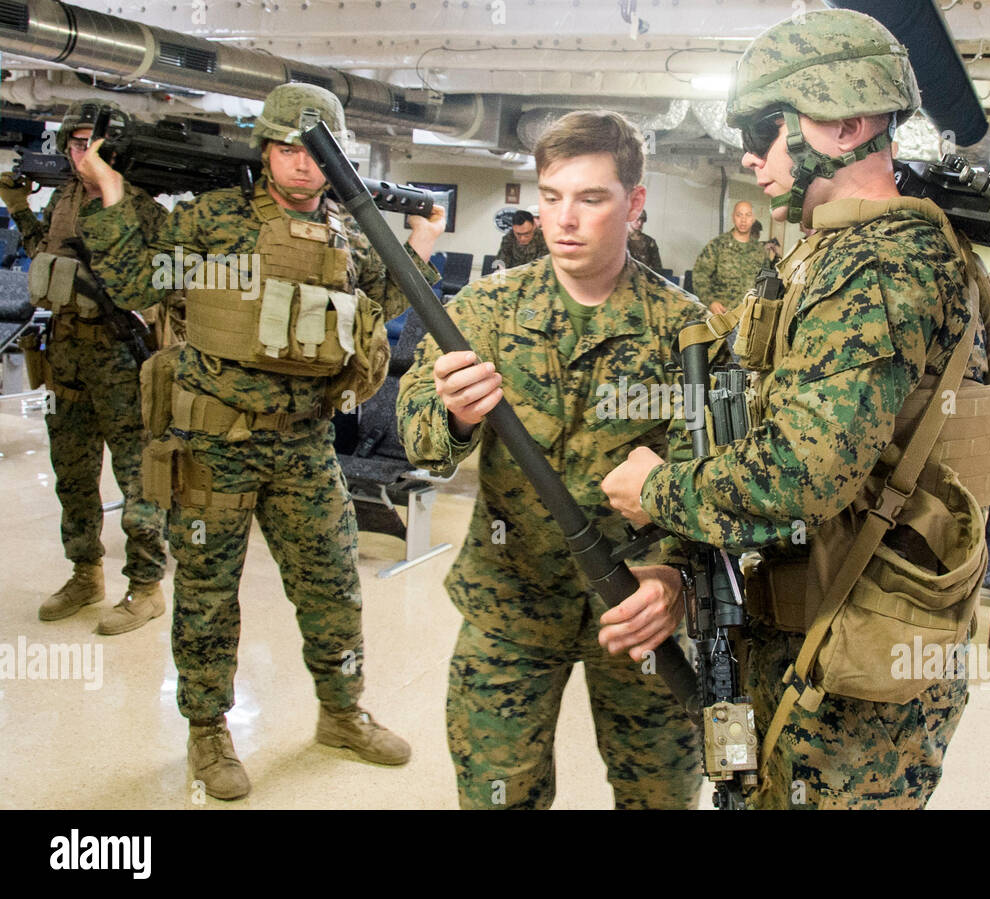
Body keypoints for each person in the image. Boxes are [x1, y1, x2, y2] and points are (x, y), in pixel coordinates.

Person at [601, 8, 990, 809]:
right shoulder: (822, 252)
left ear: (848, 123)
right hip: (805, 627)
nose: (748, 152)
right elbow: (740, 410)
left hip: (856, 664)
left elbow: (805, 472)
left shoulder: (879, 263)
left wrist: (659, 491)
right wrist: (680, 560)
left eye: (764, 126)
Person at [76, 82, 445, 801]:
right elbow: (130, 274)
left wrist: (424, 241)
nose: (303, 165)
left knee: (334, 588)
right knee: (209, 595)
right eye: (286, 148)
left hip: (306, 445)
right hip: (216, 442)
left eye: (317, 152)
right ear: (265, 150)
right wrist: (110, 189)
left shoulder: (349, 230)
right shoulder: (214, 220)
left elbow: (385, 299)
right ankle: (208, 730)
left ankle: (341, 712)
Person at [396, 110, 711, 810]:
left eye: (591, 198)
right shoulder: (483, 310)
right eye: (550, 195)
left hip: (637, 608)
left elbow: (715, 485)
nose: (563, 219)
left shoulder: (688, 333)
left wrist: (678, 579)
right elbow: (417, 437)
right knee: (497, 793)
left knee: (662, 795)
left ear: (635, 202)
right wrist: (450, 413)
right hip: (511, 600)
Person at [0, 103, 169, 635]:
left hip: (121, 357)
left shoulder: (139, 207)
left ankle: (145, 587)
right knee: (72, 473)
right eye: (73, 144)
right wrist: (20, 210)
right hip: (65, 352)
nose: (81, 154)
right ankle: (85, 572)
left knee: (138, 476)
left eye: (90, 143)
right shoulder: (63, 201)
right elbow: (42, 257)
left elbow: (159, 284)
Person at [691, 200, 766, 315]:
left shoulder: (761, 252)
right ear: (733, 217)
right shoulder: (717, 245)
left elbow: (766, 284)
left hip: (748, 317)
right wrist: (710, 302)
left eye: (748, 215)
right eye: (739, 215)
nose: (743, 220)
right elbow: (700, 276)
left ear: (753, 219)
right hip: (721, 316)